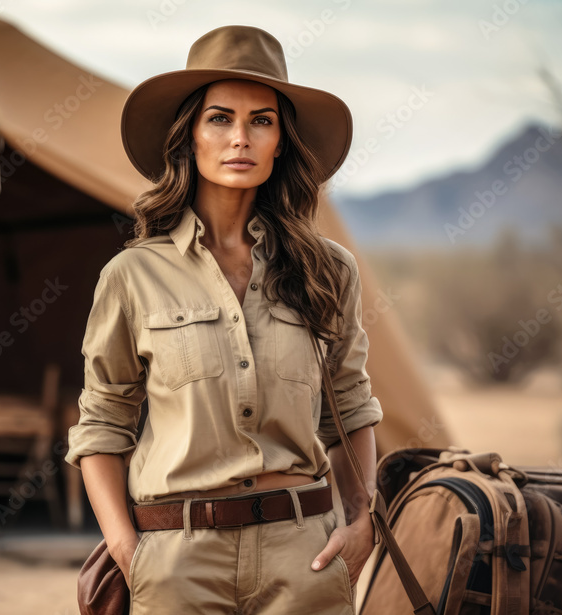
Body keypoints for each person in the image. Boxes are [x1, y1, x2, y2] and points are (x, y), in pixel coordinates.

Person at [65, 25, 382, 614]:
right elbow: (102, 422)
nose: (241, 138)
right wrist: (129, 550)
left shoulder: (328, 270)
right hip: (176, 560)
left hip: (305, 558)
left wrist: (362, 523)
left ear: (282, 140)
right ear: (188, 136)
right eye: (220, 119)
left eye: (262, 120)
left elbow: (351, 403)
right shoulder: (131, 276)